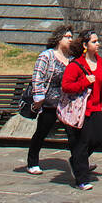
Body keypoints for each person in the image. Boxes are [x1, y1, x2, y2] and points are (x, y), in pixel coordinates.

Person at [60, 30, 102, 189]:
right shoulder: (76, 65)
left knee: (98, 139)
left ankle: (76, 160)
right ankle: (81, 180)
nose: (98, 44)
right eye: (94, 41)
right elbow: (66, 86)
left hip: (95, 107)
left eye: (97, 41)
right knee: (82, 143)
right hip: (80, 110)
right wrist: (84, 81)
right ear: (85, 45)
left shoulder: (99, 61)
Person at [26, 26, 74, 174]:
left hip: (66, 103)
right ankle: (32, 162)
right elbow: (38, 77)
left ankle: (79, 162)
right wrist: (39, 98)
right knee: (42, 132)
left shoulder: (72, 58)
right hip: (49, 103)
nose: (70, 39)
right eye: (67, 37)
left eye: (71, 37)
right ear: (59, 39)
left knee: (74, 134)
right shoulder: (47, 56)